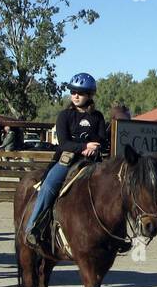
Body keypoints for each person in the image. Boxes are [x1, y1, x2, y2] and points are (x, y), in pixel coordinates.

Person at [24, 73, 109, 248]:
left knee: (112, 187)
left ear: (90, 95)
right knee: (48, 185)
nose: (76, 96)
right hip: (66, 161)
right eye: (73, 92)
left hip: (92, 162)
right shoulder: (65, 115)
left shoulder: (98, 117)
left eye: (81, 92)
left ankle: (115, 234)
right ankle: (33, 227)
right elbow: (64, 143)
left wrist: (96, 147)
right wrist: (84, 147)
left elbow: (102, 139)